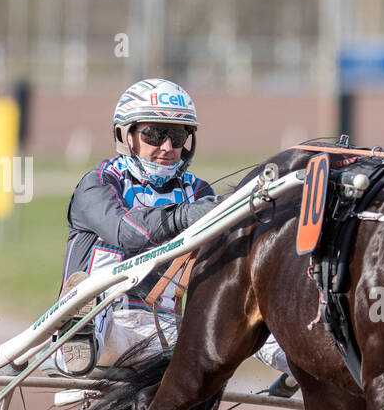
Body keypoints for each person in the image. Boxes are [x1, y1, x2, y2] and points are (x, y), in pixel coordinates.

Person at [53, 77, 293, 390]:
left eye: (177, 136)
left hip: (166, 330)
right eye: (155, 134)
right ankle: (78, 330)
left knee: (241, 309)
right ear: (126, 136)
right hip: (109, 321)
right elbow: (124, 231)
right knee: (94, 306)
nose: (167, 147)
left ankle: (304, 361)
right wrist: (185, 215)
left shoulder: (197, 191)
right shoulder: (98, 183)